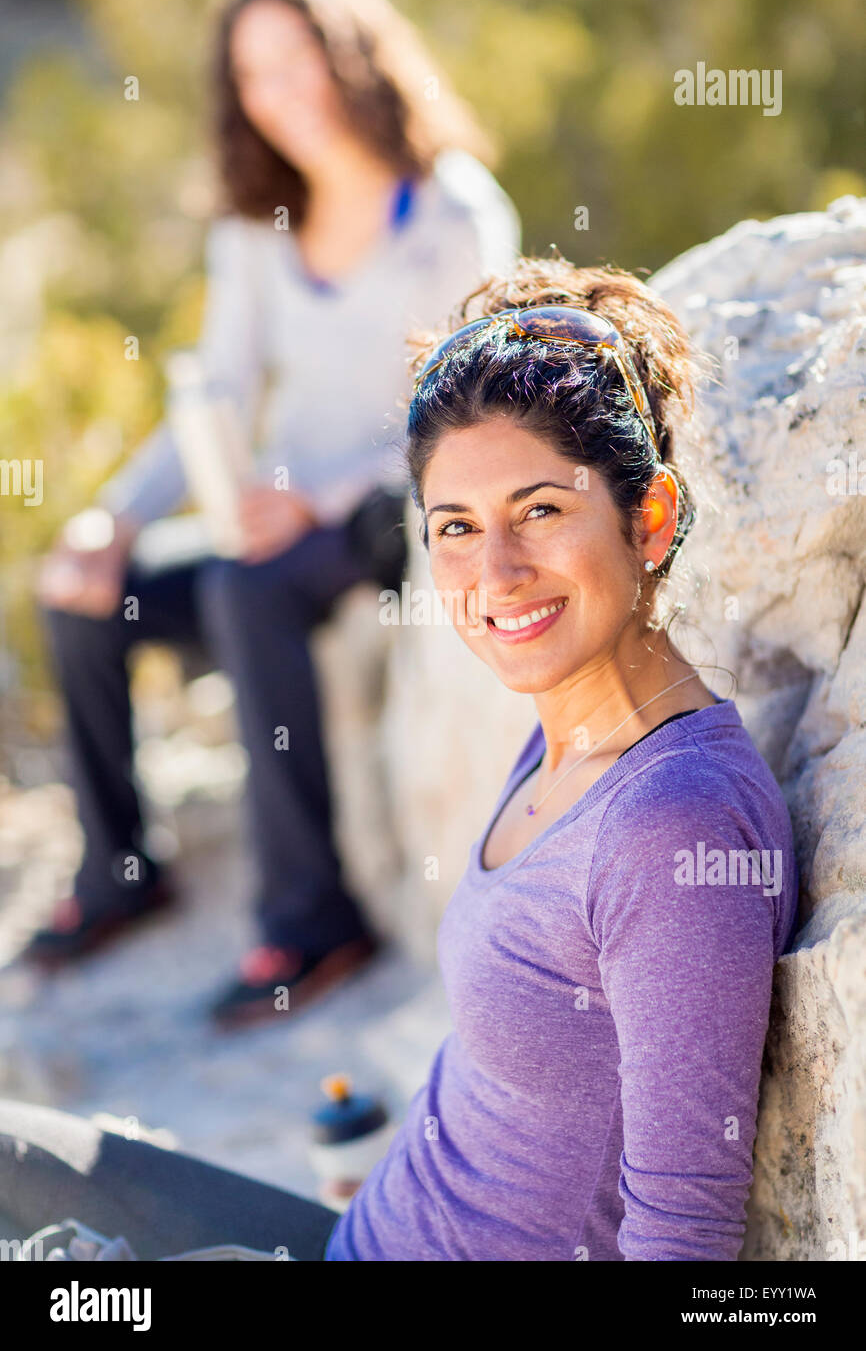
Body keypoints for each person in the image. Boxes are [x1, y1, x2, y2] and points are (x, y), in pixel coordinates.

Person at [1, 253, 799, 1260]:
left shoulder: (669, 824)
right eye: (455, 527)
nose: (495, 573)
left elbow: (682, 1242)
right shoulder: (562, 732)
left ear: (648, 518)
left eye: (540, 510)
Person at [25, 0, 520, 1028]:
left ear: (352, 54)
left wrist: (317, 496)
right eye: (254, 74)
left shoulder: (449, 209)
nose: (280, 90)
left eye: (296, 60)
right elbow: (215, 388)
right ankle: (120, 870)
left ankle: (311, 917)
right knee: (79, 600)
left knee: (249, 587)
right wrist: (112, 519)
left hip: (399, 506)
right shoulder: (256, 226)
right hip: (275, 523)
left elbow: (471, 410)